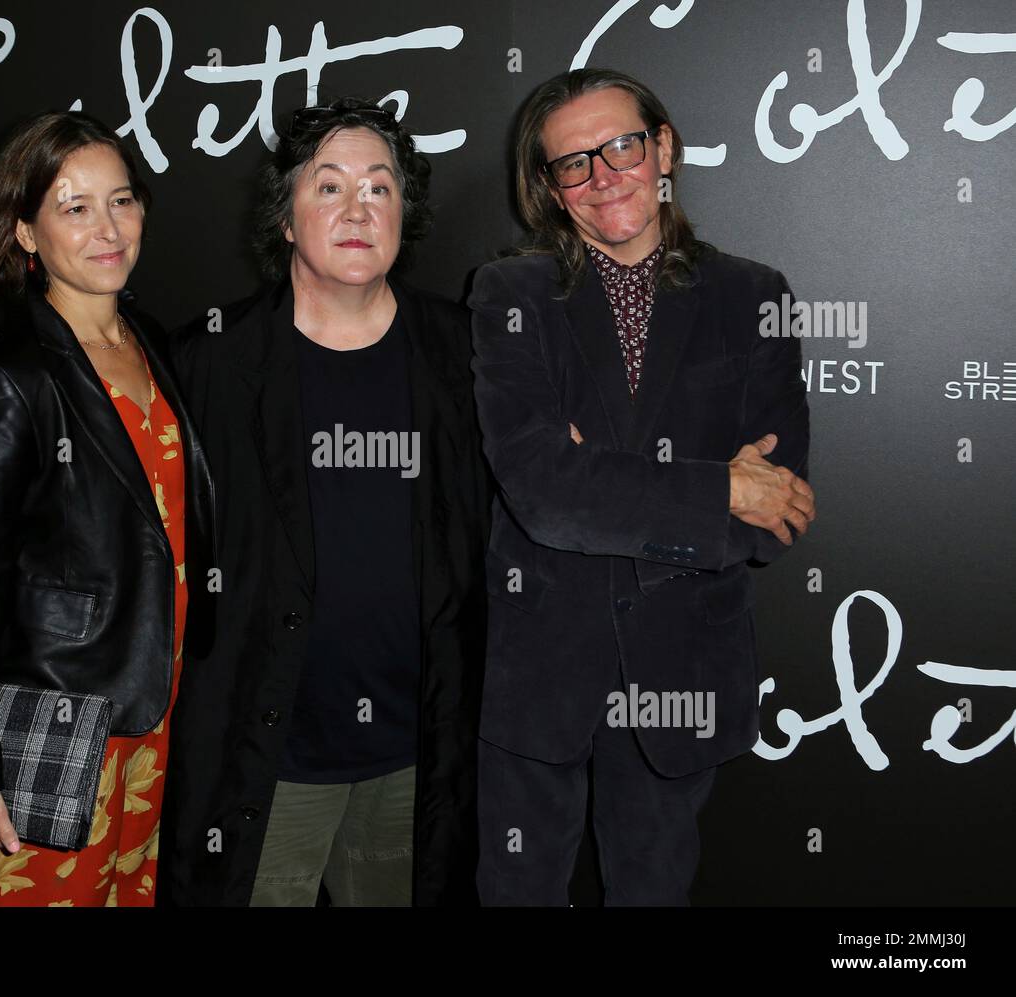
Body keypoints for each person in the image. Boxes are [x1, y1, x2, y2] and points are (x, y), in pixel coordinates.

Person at [469, 68, 816, 905]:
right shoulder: (509, 295)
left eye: (621, 145)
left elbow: (774, 515)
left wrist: (607, 479)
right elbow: (546, 493)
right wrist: (714, 487)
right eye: (573, 163)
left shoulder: (753, 296)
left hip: (684, 665)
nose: (603, 176)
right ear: (550, 190)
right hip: (541, 677)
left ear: (664, 147)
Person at [160, 98, 489, 906]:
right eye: (329, 187)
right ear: (285, 216)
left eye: (379, 188)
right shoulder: (211, 361)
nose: (356, 210)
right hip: (269, 759)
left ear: (404, 215)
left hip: (415, 760)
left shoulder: (467, 350)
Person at [0, 110, 213, 906]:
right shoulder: (10, 380)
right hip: (55, 723)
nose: (108, 228)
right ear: (25, 232)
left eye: (121, 200)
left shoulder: (150, 340)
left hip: (150, 707)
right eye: (74, 207)